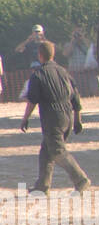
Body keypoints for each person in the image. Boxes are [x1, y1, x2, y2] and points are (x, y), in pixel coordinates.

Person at [20, 40, 90, 193]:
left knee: (58, 152)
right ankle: (42, 186)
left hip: (53, 119)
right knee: (46, 151)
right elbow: (75, 97)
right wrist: (78, 119)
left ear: (40, 55)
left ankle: (80, 179)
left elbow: (32, 101)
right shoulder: (64, 72)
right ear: (53, 54)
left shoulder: (38, 75)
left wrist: (25, 119)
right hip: (68, 116)